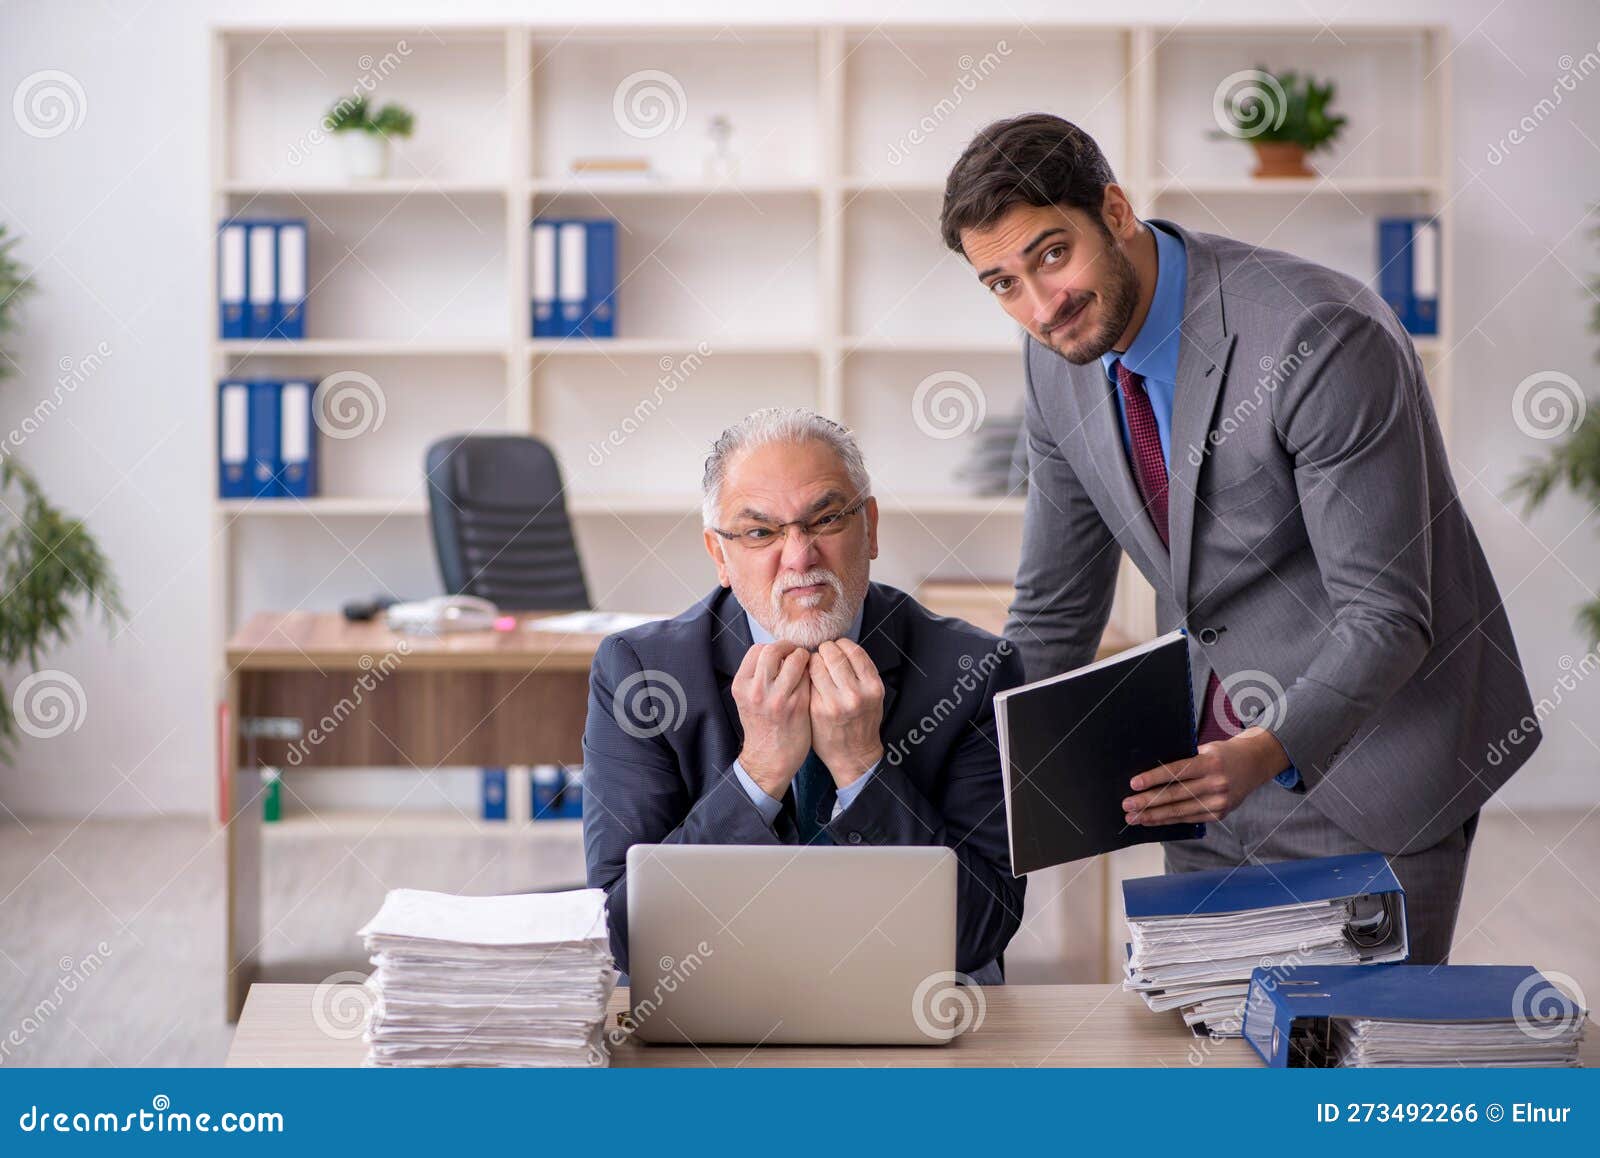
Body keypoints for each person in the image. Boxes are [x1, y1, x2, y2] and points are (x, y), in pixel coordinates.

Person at [939, 113, 1540, 964]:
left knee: (1345, 1040)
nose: (1041, 306)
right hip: (1204, 786)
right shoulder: (1055, 363)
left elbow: (1387, 618)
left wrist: (1265, 752)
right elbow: (1052, 612)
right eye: (1003, 283)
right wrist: (979, 775)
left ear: (1114, 211)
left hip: (1373, 766)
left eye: (1052, 254)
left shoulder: (1317, 334)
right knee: (1205, 1028)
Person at [581, 408, 1025, 981]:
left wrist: (862, 767)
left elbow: (979, 931)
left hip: (912, 990)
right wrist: (758, 773)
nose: (799, 557)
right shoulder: (639, 673)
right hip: (717, 988)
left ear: (870, 528)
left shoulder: (973, 671)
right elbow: (624, 934)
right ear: (719, 555)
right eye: (760, 532)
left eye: (826, 519)